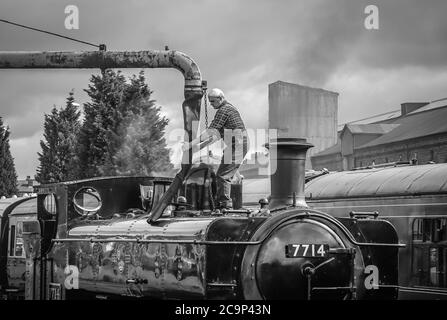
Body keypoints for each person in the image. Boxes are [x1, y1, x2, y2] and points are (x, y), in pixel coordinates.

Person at [182, 88, 248, 209]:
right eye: (209, 101)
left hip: (238, 145)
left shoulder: (224, 110)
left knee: (223, 176)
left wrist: (190, 144)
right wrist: (200, 147)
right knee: (221, 175)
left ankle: (225, 205)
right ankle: (222, 203)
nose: (211, 104)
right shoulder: (227, 109)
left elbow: (209, 132)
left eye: (212, 101)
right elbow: (215, 136)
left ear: (221, 98)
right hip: (235, 145)